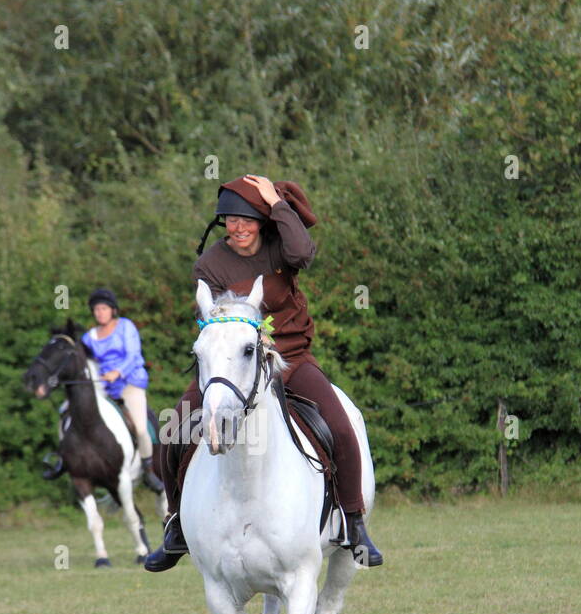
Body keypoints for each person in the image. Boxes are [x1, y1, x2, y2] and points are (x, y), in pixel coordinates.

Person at [145, 174, 383, 571]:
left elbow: (303, 253)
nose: (237, 228)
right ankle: (176, 526)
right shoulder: (211, 263)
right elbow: (217, 321)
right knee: (175, 429)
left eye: (246, 220)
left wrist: (277, 204)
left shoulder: (280, 247)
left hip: (291, 360)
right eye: (230, 221)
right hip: (234, 368)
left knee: (340, 426)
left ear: (261, 221)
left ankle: (354, 523)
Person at [80, 288, 165, 492]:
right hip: (103, 388)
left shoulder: (126, 327)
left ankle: (148, 470)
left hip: (129, 383)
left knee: (141, 428)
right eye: (96, 309)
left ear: (113, 310)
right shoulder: (89, 337)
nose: (99, 312)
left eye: (103, 308)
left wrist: (117, 372)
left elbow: (133, 356)